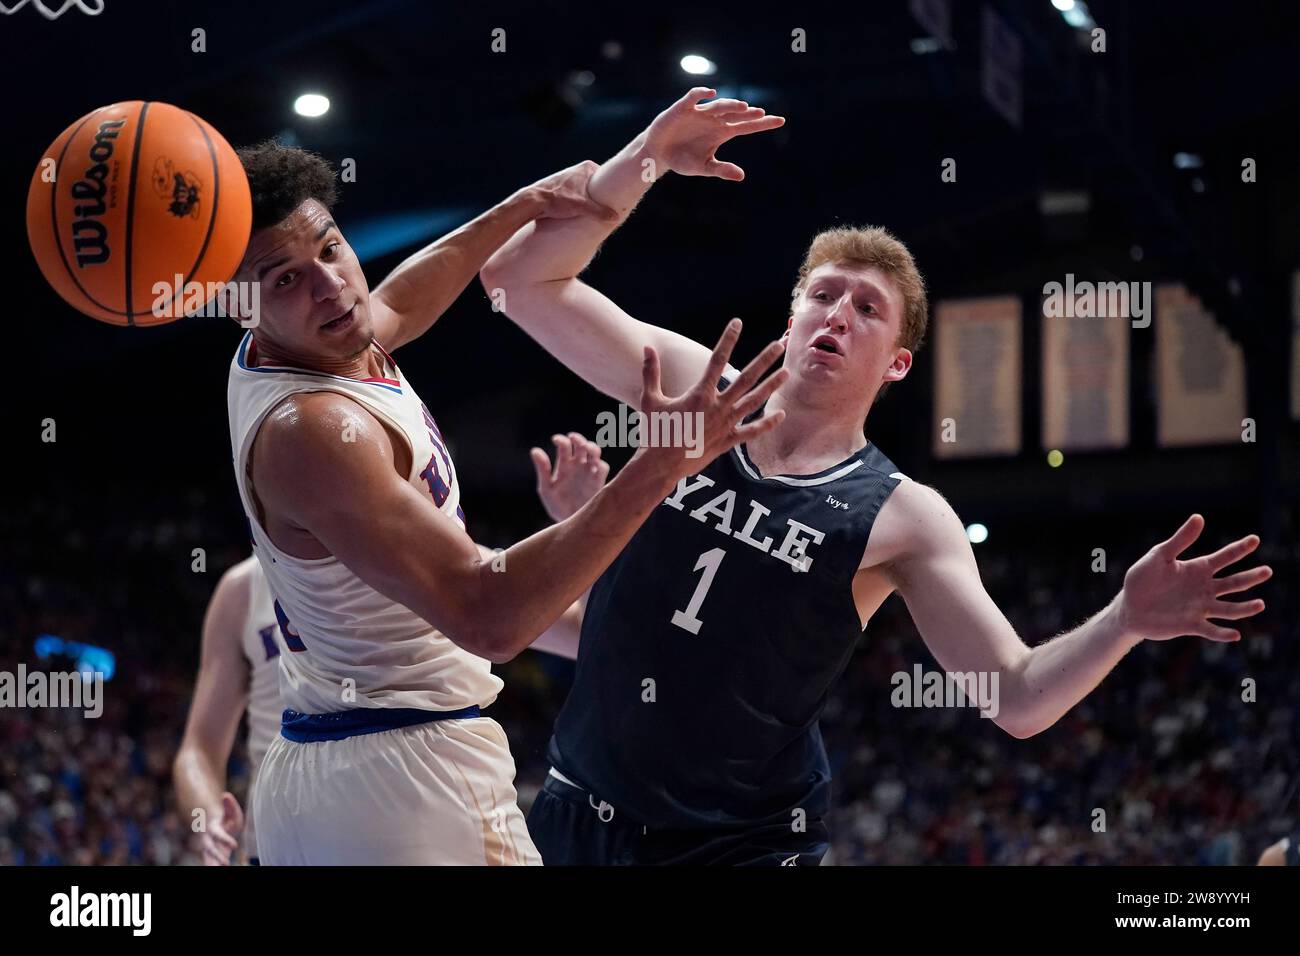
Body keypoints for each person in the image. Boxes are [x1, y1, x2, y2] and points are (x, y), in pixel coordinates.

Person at [480, 88, 1274, 865]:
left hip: (739, 844)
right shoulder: (697, 386)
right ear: (790, 320)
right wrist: (643, 159)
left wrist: (1125, 618)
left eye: (866, 308)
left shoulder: (903, 516)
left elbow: (1017, 696)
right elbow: (517, 282)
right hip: (578, 808)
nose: (836, 315)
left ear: (897, 362)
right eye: (822, 296)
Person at [226, 141, 787, 864]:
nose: (332, 287)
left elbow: (400, 301)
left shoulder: (288, 349)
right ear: (242, 304)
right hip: (402, 782)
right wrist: (663, 462)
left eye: (332, 250)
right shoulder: (313, 431)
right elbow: (490, 617)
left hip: (333, 774)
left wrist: (520, 205)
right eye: (286, 279)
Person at [170, 436, 603, 864]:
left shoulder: (457, 570)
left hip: (411, 810)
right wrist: (205, 819)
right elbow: (198, 749)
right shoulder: (241, 591)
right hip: (289, 833)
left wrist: (581, 519)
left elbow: (588, 636)